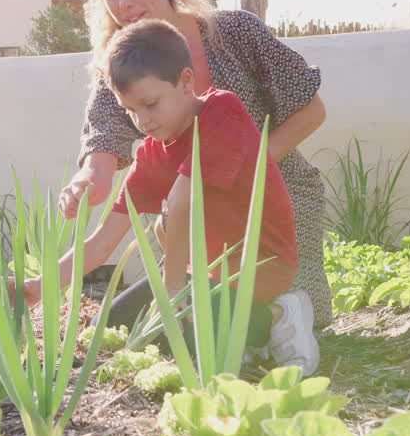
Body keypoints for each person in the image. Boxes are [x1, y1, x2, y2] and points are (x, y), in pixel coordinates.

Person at [59, 0, 333, 360]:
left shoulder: (234, 33)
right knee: (132, 330)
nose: (123, 2)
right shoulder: (120, 61)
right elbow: (105, 141)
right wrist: (88, 177)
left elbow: (311, 111)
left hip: (275, 196)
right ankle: (228, 323)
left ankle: (272, 318)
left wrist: (242, 171)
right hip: (197, 220)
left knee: (296, 318)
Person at [22, 19, 318, 373]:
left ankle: (277, 315)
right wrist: (39, 287)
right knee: (108, 327)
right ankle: (238, 333)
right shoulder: (150, 154)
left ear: (186, 81)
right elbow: (101, 244)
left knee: (186, 326)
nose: (142, 121)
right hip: (204, 276)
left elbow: (183, 202)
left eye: (150, 104)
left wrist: (171, 294)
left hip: (261, 265)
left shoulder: (222, 111)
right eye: (130, 110)